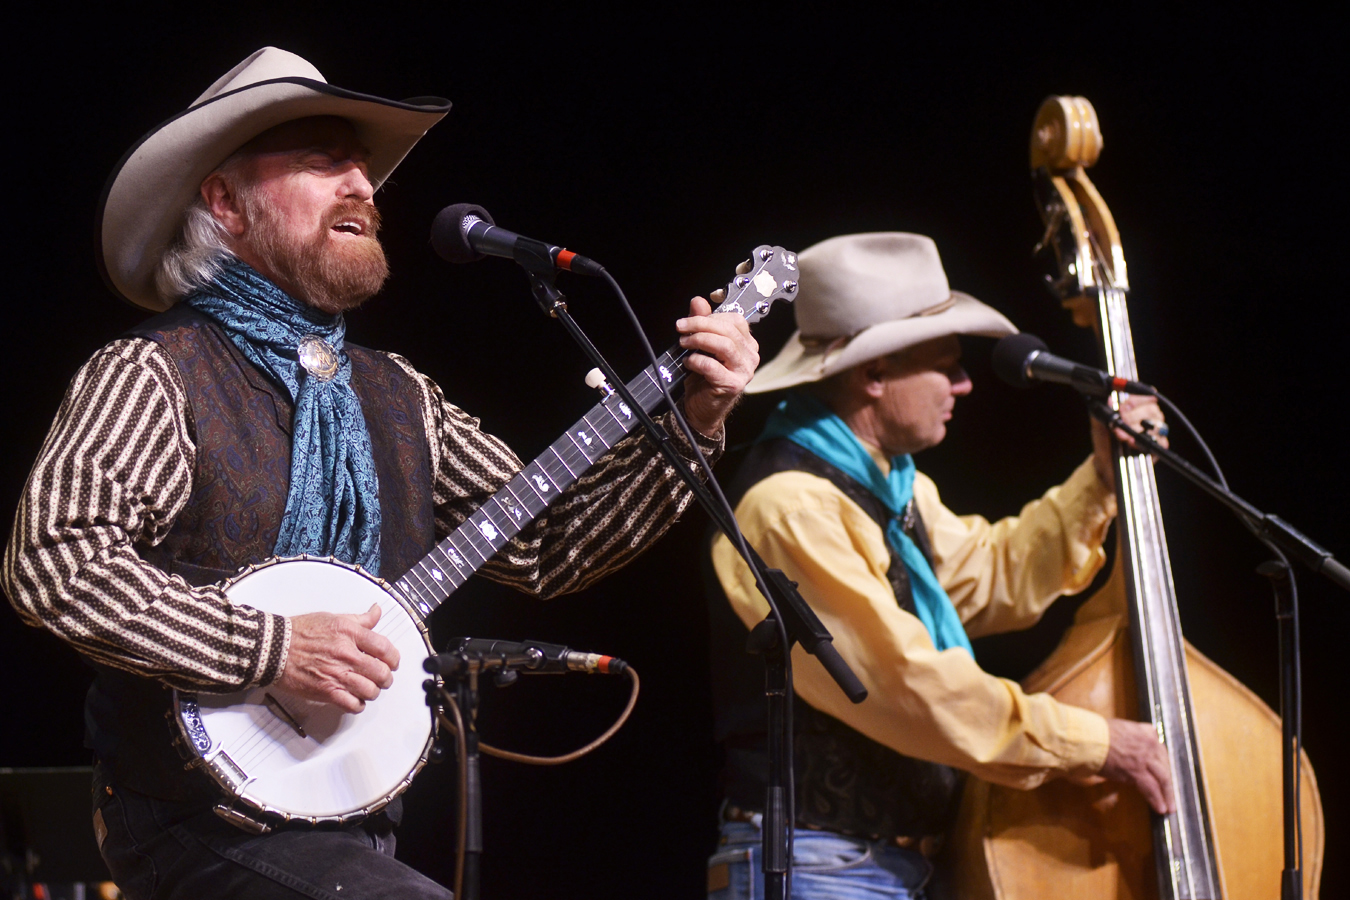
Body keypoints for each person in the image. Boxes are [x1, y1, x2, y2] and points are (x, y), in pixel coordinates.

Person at [2, 47, 758, 900]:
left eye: (364, 166)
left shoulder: (399, 397)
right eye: (324, 160)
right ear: (225, 202)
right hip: (187, 822)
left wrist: (694, 417)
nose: (363, 183)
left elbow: (549, 544)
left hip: (349, 824)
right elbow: (55, 563)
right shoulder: (156, 372)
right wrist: (270, 648)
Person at [704, 232, 1172, 899]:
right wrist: (1092, 743)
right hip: (818, 867)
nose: (965, 384)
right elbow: (908, 686)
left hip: (882, 867)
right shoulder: (791, 506)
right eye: (946, 365)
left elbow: (989, 577)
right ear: (873, 375)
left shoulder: (888, 484)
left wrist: (1103, 477)